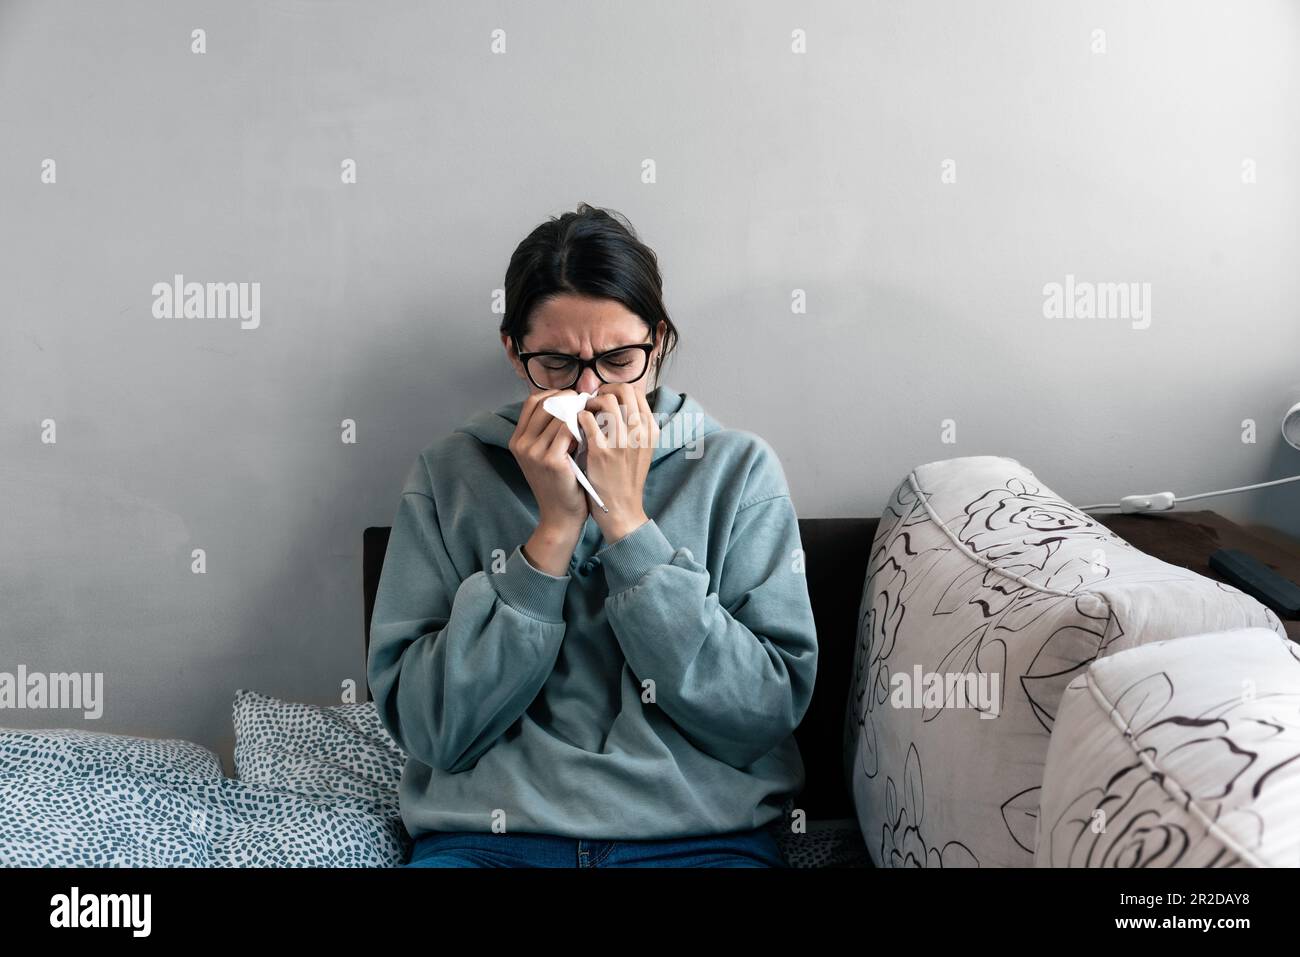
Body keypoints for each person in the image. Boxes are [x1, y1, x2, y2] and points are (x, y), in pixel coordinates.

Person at [367, 203, 818, 867]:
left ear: (657, 342)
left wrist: (627, 525)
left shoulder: (737, 471)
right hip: (488, 840)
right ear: (513, 353)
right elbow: (432, 727)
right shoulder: (450, 474)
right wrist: (549, 538)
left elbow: (761, 713)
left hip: (696, 838)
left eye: (617, 358)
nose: (588, 388)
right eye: (556, 361)